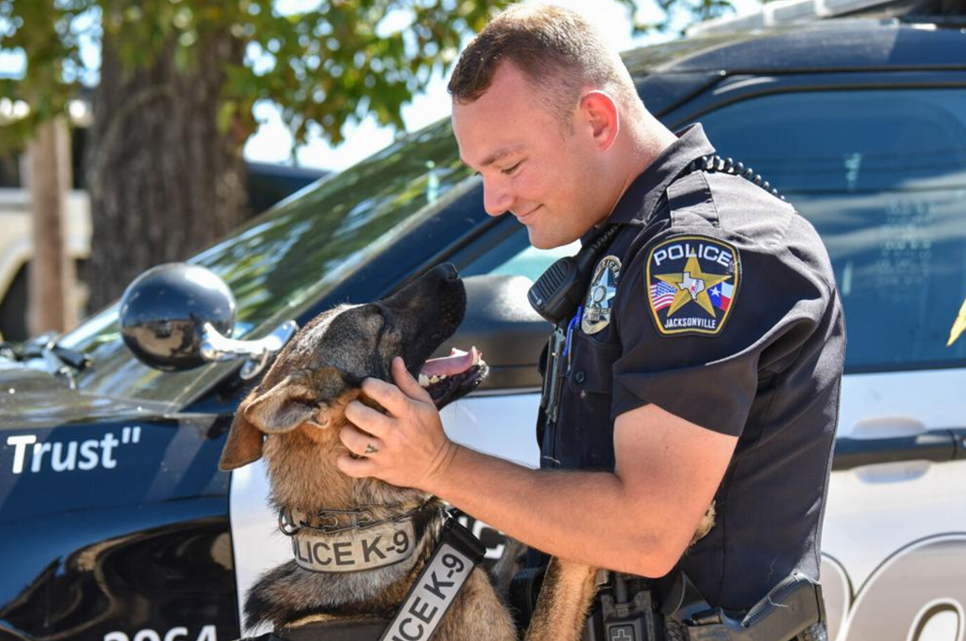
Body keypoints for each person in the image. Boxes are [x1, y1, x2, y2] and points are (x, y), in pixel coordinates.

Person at [337, 4, 845, 640]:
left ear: (597, 120)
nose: (495, 200)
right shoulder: (625, 244)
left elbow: (645, 531)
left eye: (510, 165)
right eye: (482, 175)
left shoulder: (698, 254)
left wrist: (437, 465)